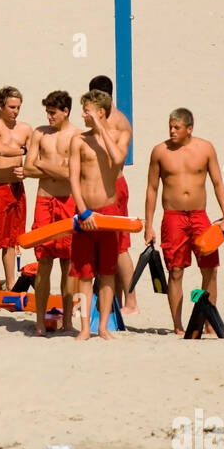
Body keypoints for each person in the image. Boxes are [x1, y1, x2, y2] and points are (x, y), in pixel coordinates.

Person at [143, 107, 224, 335]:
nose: (172, 131)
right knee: (175, 270)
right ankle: (177, 325)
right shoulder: (159, 152)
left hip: (199, 216)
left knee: (210, 268)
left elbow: (217, 183)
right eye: (170, 127)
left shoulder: (205, 148)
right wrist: (149, 225)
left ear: (189, 128)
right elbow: (152, 189)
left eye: (177, 128)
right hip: (172, 217)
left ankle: (209, 321)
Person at [68, 90, 128, 341]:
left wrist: (100, 130)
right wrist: (83, 211)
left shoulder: (118, 136)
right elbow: (73, 178)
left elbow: (117, 159)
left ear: (100, 112)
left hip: (109, 212)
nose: (83, 114)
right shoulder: (78, 140)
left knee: (107, 272)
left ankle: (102, 326)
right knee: (84, 273)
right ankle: (84, 327)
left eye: (87, 110)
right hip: (85, 212)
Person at [24, 91, 81, 335]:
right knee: (44, 260)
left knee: (69, 261)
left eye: (53, 112)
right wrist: (56, 170)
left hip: (69, 201)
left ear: (66, 111)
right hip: (44, 201)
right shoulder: (39, 133)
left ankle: (67, 320)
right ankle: (39, 321)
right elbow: (27, 168)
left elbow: (72, 174)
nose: (49, 117)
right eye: (47, 112)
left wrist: (44, 165)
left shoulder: (77, 136)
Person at [89, 75, 138, 315]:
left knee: (119, 246)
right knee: (109, 246)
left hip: (114, 187)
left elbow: (113, 158)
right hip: (106, 187)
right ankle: (116, 300)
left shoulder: (115, 122)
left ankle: (131, 301)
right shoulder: (106, 118)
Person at [0, 86, 31, 291]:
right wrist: (25, 150)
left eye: (18, 107)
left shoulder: (25, 128)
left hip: (17, 188)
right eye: (11, 107)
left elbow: (36, 155)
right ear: (0, 106)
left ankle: (10, 282)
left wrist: (27, 170)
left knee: (12, 240)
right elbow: (0, 150)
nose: (15, 111)